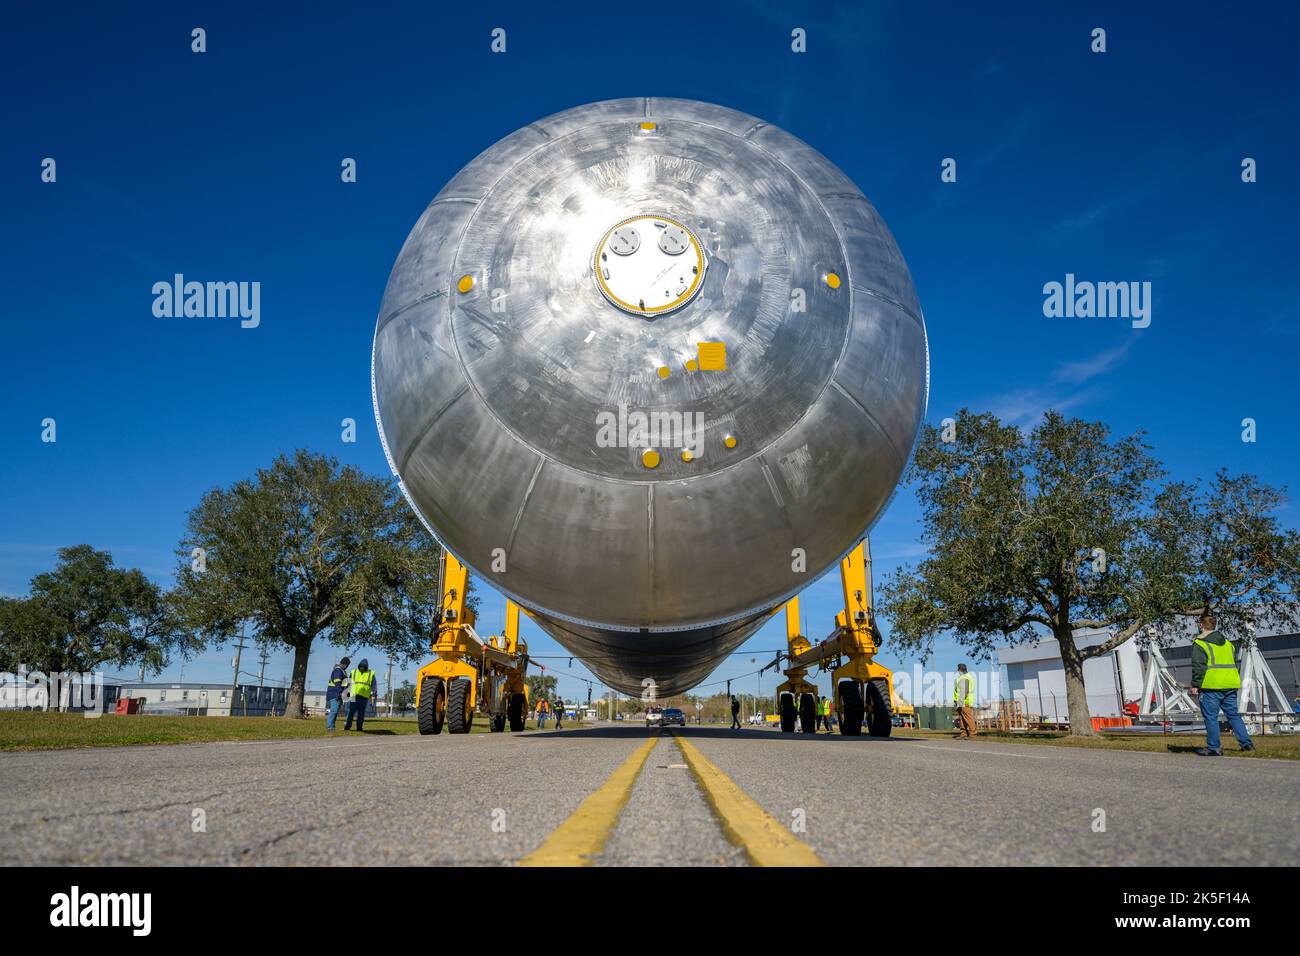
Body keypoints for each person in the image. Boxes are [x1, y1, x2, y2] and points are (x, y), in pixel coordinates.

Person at [1190, 612, 1254, 756]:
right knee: (1233, 715)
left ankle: (1214, 748)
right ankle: (1247, 744)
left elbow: (1199, 666)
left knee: (1211, 717)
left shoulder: (1200, 643)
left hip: (1211, 685)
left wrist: (1195, 685)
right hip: (1230, 683)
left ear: (1201, 625)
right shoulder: (1227, 643)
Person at [344, 658, 378, 732]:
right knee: (351, 712)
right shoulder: (354, 672)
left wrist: (373, 695)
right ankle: (347, 726)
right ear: (359, 666)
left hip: (364, 697)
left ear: (366, 667)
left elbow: (374, 686)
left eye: (364, 667)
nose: (362, 668)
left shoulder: (371, 673)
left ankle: (359, 727)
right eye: (361, 667)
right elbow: (348, 683)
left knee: (361, 713)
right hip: (354, 695)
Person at [325, 655, 351, 731]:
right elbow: (337, 683)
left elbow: (345, 684)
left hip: (339, 694)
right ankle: (330, 727)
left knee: (335, 711)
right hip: (334, 694)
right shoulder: (338, 671)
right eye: (347, 665)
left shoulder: (343, 671)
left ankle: (332, 726)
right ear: (345, 664)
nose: (347, 667)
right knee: (334, 711)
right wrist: (341, 692)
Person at [953, 663, 976, 739]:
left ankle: (973, 734)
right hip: (962, 701)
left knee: (968, 718)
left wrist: (960, 702)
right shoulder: (965, 677)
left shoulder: (964, 678)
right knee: (962, 719)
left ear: (960, 670)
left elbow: (964, 691)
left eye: (958, 670)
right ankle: (963, 733)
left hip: (964, 702)